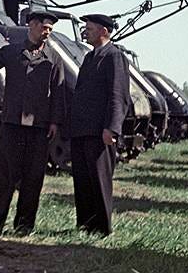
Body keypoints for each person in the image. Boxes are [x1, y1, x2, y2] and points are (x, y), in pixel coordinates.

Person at [0, 11, 66, 235]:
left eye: (50, 30)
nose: (47, 33)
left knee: (33, 179)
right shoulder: (12, 51)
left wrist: (55, 123)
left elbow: (59, 94)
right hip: (12, 123)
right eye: (44, 28)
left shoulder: (54, 58)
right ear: (31, 25)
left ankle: (24, 226)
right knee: (5, 175)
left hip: (40, 128)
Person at [69, 13, 131, 236]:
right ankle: (85, 225)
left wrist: (112, 128)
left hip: (100, 131)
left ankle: (103, 229)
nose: (86, 32)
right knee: (83, 179)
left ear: (104, 31)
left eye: (90, 28)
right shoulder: (89, 57)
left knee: (99, 179)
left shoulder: (115, 57)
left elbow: (119, 95)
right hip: (82, 130)